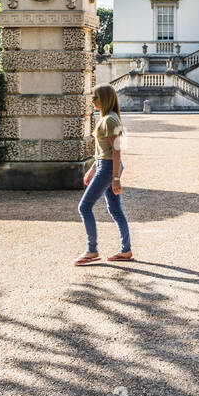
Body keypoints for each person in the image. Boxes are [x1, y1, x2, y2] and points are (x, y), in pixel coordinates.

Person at [75, 84, 133, 265]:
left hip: (108, 167)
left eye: (95, 97)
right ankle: (126, 250)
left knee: (84, 207)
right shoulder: (108, 118)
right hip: (105, 165)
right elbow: (103, 150)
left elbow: (116, 151)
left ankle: (91, 250)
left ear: (105, 99)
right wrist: (93, 169)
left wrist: (115, 178)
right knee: (115, 209)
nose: (92, 100)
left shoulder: (109, 120)